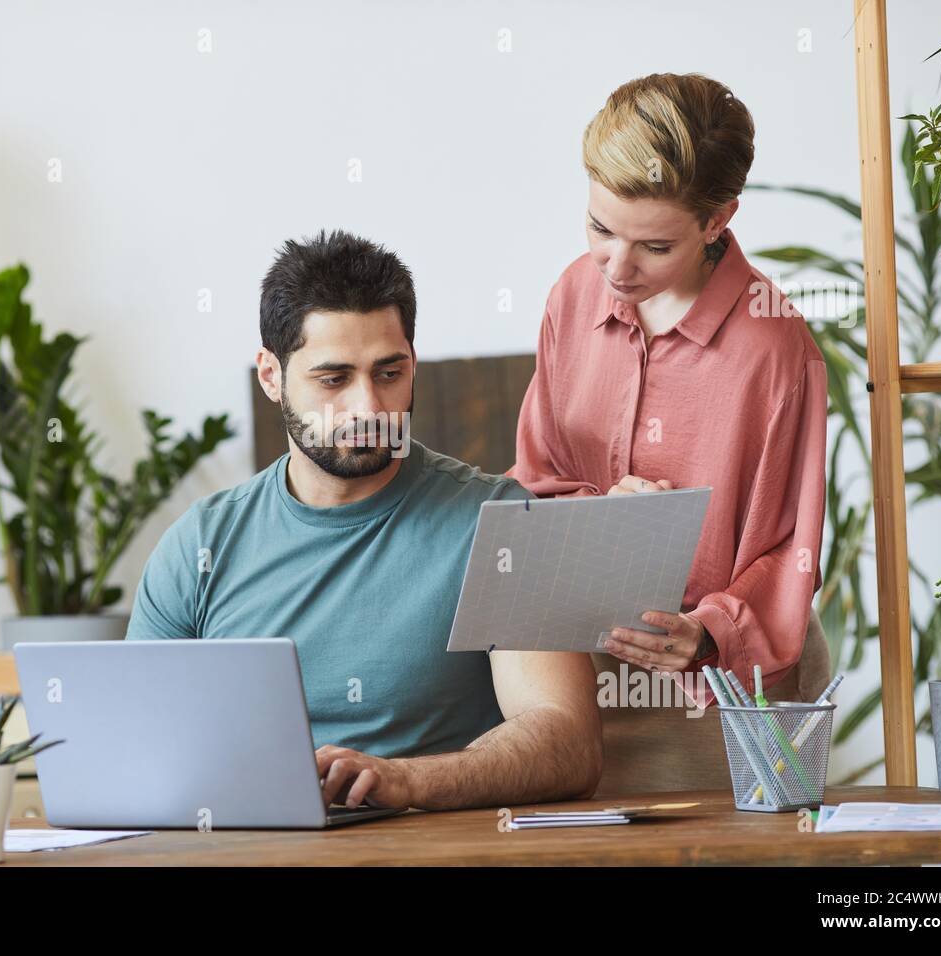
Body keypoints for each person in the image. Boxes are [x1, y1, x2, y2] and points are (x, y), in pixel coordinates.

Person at [128, 229, 601, 810]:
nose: (369, 408)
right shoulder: (198, 547)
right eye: (333, 379)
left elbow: (567, 740)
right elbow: (137, 748)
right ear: (271, 375)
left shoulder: (501, 523)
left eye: (388, 373)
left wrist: (406, 782)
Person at [510, 73, 830, 793]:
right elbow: (534, 481)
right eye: (599, 229)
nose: (615, 269)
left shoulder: (775, 350)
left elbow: (791, 546)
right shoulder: (571, 294)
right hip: (580, 678)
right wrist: (600, 519)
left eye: (653, 247)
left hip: (726, 696)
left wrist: (708, 632)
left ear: (719, 219)